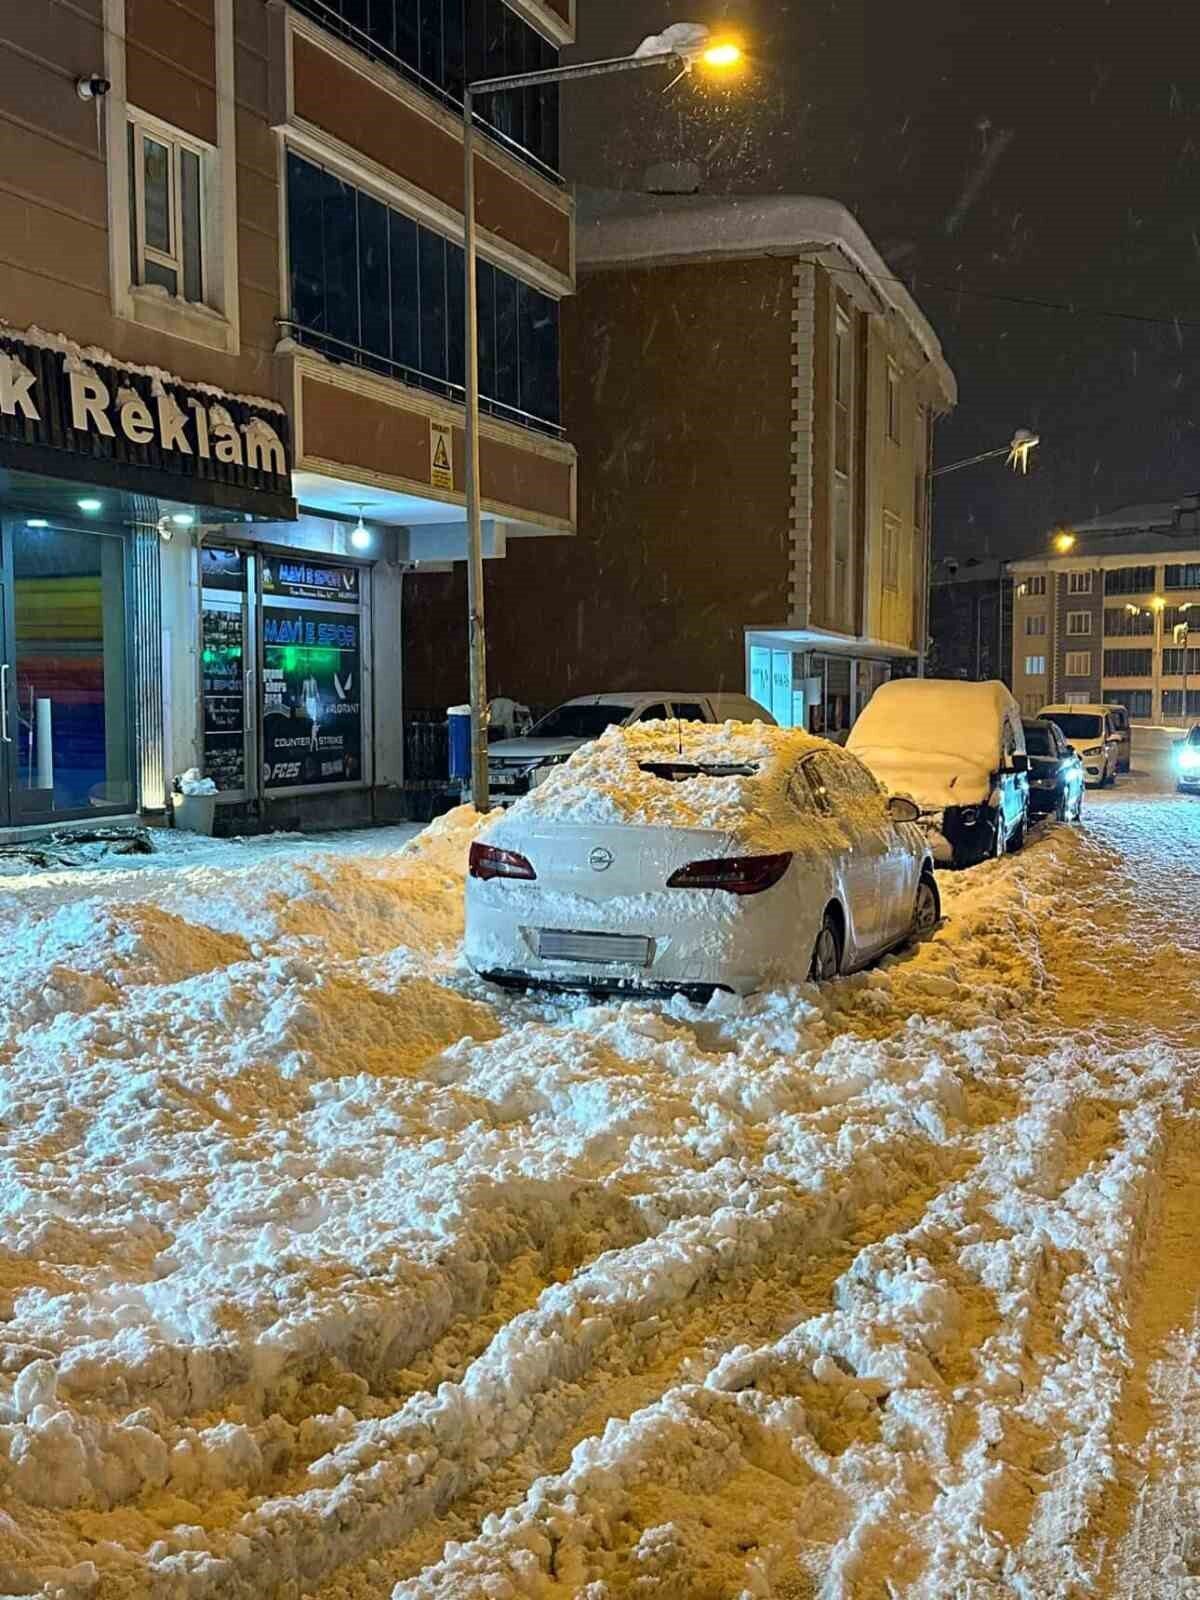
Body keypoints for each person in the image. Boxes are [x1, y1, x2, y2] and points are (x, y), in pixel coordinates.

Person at [301, 671, 321, 751]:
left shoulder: (314, 681)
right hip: (308, 700)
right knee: (309, 717)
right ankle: (310, 739)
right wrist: (303, 702)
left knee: (314, 718)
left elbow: (316, 691)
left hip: (313, 700)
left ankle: (314, 738)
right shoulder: (305, 681)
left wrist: (319, 700)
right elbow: (303, 692)